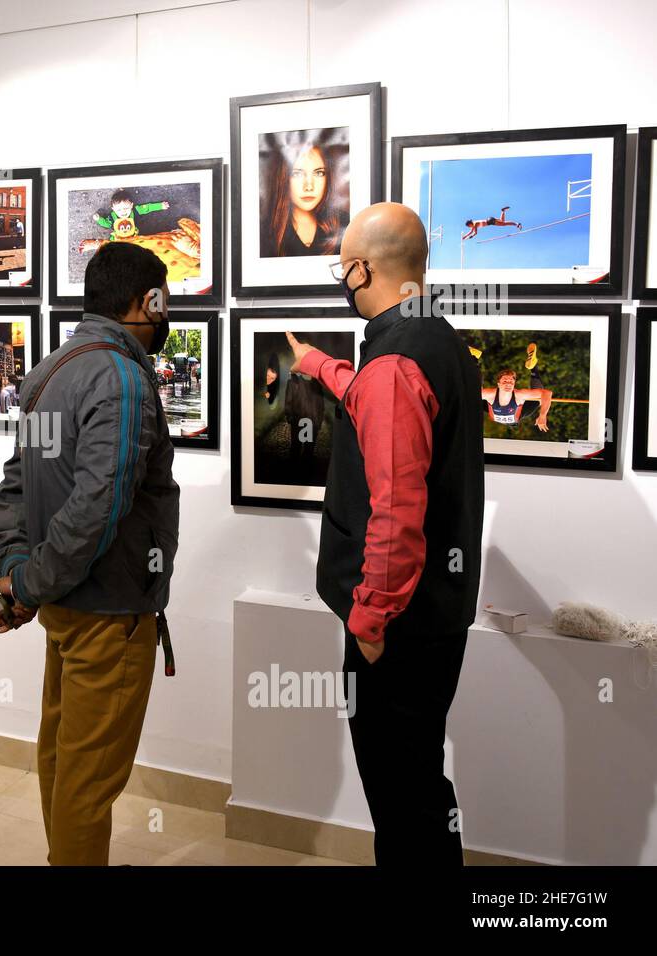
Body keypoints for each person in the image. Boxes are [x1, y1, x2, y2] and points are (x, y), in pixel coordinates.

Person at [286, 202, 485, 866]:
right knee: (419, 780)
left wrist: (370, 618)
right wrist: (322, 367)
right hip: (435, 614)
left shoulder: (397, 361)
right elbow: (380, 402)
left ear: (362, 269)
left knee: (405, 799)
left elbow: (396, 513)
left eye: (343, 267)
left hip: (395, 626)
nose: (342, 278)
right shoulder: (437, 341)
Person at [0, 242, 180, 866]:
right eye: (164, 299)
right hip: (107, 614)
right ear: (149, 300)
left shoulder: (53, 368)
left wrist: (18, 575)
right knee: (87, 784)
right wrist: (27, 584)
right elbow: (97, 509)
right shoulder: (121, 378)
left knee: (63, 760)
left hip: (67, 609)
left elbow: (14, 485)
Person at [260, 132, 346, 257]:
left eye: (319, 173)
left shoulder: (345, 226)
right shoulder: (263, 234)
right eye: (298, 174)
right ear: (282, 178)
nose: (309, 186)